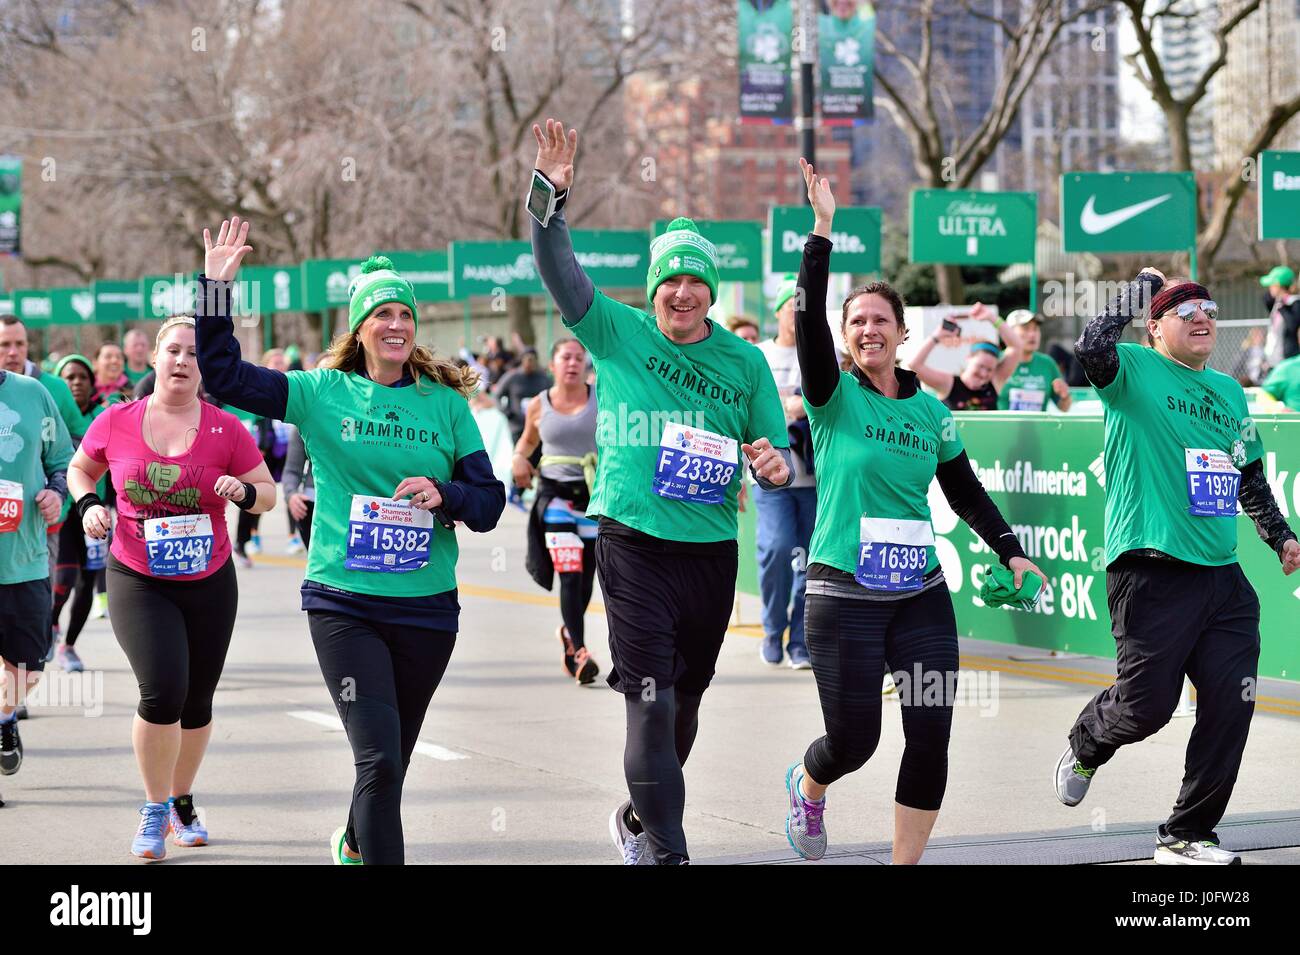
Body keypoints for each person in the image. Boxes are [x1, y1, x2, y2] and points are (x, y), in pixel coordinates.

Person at [195, 217, 505, 865]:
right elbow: (224, 377)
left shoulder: (445, 405)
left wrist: (444, 494)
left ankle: (354, 840)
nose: (396, 324)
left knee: (392, 762)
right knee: (380, 757)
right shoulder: (319, 393)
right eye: (382, 313)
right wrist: (216, 292)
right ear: (359, 327)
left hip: (426, 608)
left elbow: (489, 503)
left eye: (405, 314)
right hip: (345, 601)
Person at [530, 119, 792, 865]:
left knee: (684, 703)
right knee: (647, 698)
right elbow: (560, 270)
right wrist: (551, 195)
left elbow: (771, 450)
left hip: (709, 553)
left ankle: (644, 819)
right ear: (655, 289)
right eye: (669, 280)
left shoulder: (743, 362)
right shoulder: (617, 331)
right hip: (633, 541)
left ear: (710, 292)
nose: (682, 292)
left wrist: (772, 467)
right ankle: (670, 852)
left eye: (695, 281)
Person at [782, 159, 1046, 864]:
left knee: (930, 732)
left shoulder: (933, 412)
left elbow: (964, 489)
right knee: (855, 740)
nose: (869, 329)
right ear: (845, 337)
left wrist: (1010, 546)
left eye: (881, 320)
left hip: (921, 593)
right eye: (857, 321)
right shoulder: (832, 396)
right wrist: (822, 231)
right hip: (843, 592)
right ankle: (809, 783)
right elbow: (806, 321)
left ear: (902, 333)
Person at [1055, 269, 1299, 865]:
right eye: (1182, 310)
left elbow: (1246, 473)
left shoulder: (1230, 390)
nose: (1201, 318)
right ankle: (1088, 742)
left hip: (1223, 579)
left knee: (1230, 703)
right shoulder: (1132, 371)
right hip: (1150, 567)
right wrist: (1141, 284)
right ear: (1154, 328)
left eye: (1209, 309)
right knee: (1147, 707)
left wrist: (1280, 537)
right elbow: (1091, 347)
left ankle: (1187, 833)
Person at [68, 315, 276, 859]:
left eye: (193, 354)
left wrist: (244, 492)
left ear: (204, 368)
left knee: (198, 700)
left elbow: (268, 492)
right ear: (155, 359)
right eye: (174, 351)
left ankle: (183, 799)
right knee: (162, 691)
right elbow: (80, 471)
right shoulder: (116, 420)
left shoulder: (225, 427)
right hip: (138, 575)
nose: (183, 361)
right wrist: (90, 505)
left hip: (209, 579)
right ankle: (155, 806)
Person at [516, 337, 602, 684]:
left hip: (593, 496)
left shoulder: (603, 397)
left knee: (586, 578)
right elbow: (528, 440)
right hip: (554, 498)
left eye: (579, 357)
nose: (573, 363)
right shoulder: (539, 405)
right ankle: (580, 651)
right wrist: (518, 457)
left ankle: (568, 634)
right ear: (552, 366)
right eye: (565, 357)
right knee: (569, 571)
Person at [0, 367, 72, 776]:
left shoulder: (32, 394)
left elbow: (61, 458)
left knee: (27, 666)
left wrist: (55, 492)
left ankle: (5, 717)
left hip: (23, 556)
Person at [754, 276, 816, 669]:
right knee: (777, 549)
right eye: (790, 307)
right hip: (771, 476)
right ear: (777, 312)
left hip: (814, 478)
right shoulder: (758, 355)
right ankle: (773, 629)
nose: (797, 314)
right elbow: (750, 402)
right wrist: (789, 402)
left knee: (811, 559)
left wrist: (801, 403)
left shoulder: (819, 354)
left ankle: (800, 638)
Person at [49, 354, 121, 672]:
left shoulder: (103, 417)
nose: (76, 382)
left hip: (95, 513)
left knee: (88, 581)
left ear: (92, 383)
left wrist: (115, 506)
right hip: (62, 511)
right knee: (64, 575)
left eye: (82, 377)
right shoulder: (52, 417)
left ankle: (69, 646)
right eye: (68, 377)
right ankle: (49, 627)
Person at [908, 303, 1024, 410]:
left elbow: (1017, 347)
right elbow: (914, 365)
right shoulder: (948, 384)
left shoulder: (995, 381)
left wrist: (992, 318)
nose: (983, 374)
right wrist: (937, 336)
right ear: (969, 358)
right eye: (980, 366)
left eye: (989, 369)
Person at [996, 310, 1072, 412]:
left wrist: (1065, 396)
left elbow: (1064, 408)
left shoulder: (1047, 364)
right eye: (1026, 329)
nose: (1032, 334)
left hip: (1038, 428)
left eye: (1035, 329)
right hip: (1001, 427)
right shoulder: (996, 362)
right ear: (1010, 333)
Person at [281, 424, 315, 549]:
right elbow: (292, 470)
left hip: (356, 503)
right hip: (314, 503)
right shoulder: (305, 423)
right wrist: (292, 495)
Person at [1260, 265, 1299, 371]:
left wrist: (1283, 307)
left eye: (1272, 285)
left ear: (1278, 285)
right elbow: (1265, 298)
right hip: (1274, 358)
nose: (1269, 288)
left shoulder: (1294, 303)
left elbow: (1293, 326)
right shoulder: (1277, 303)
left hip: (1288, 359)